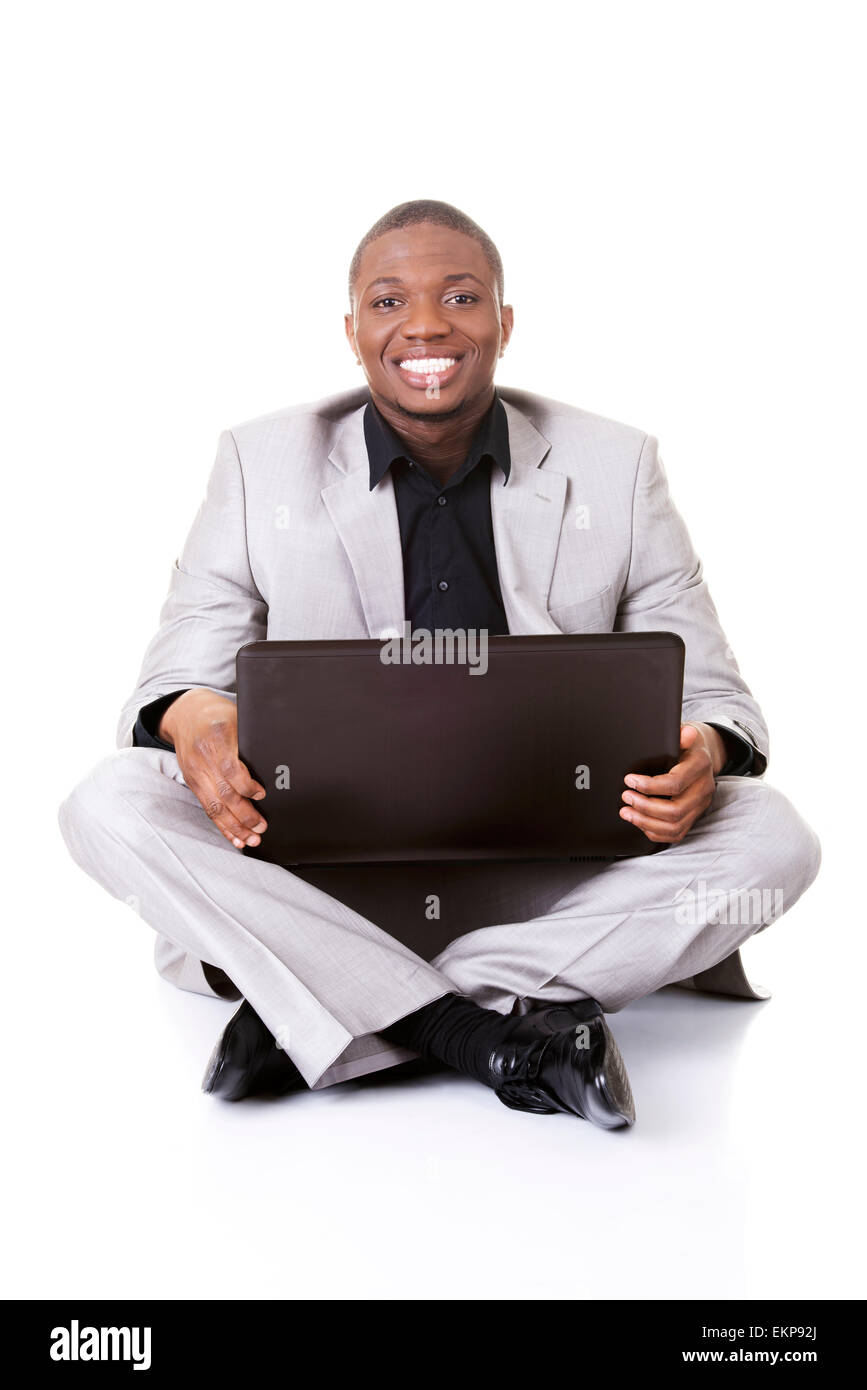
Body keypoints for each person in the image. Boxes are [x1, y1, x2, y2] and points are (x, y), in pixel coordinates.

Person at [58, 199, 821, 1129]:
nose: (424, 324)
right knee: (109, 799)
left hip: (556, 870)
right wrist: (194, 718)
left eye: (460, 297)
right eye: (389, 302)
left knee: (773, 835)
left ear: (503, 323)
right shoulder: (259, 463)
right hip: (317, 867)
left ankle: (333, 1004)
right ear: (352, 331)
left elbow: (712, 688)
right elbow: (181, 663)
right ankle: (492, 1032)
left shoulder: (615, 465)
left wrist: (705, 748)